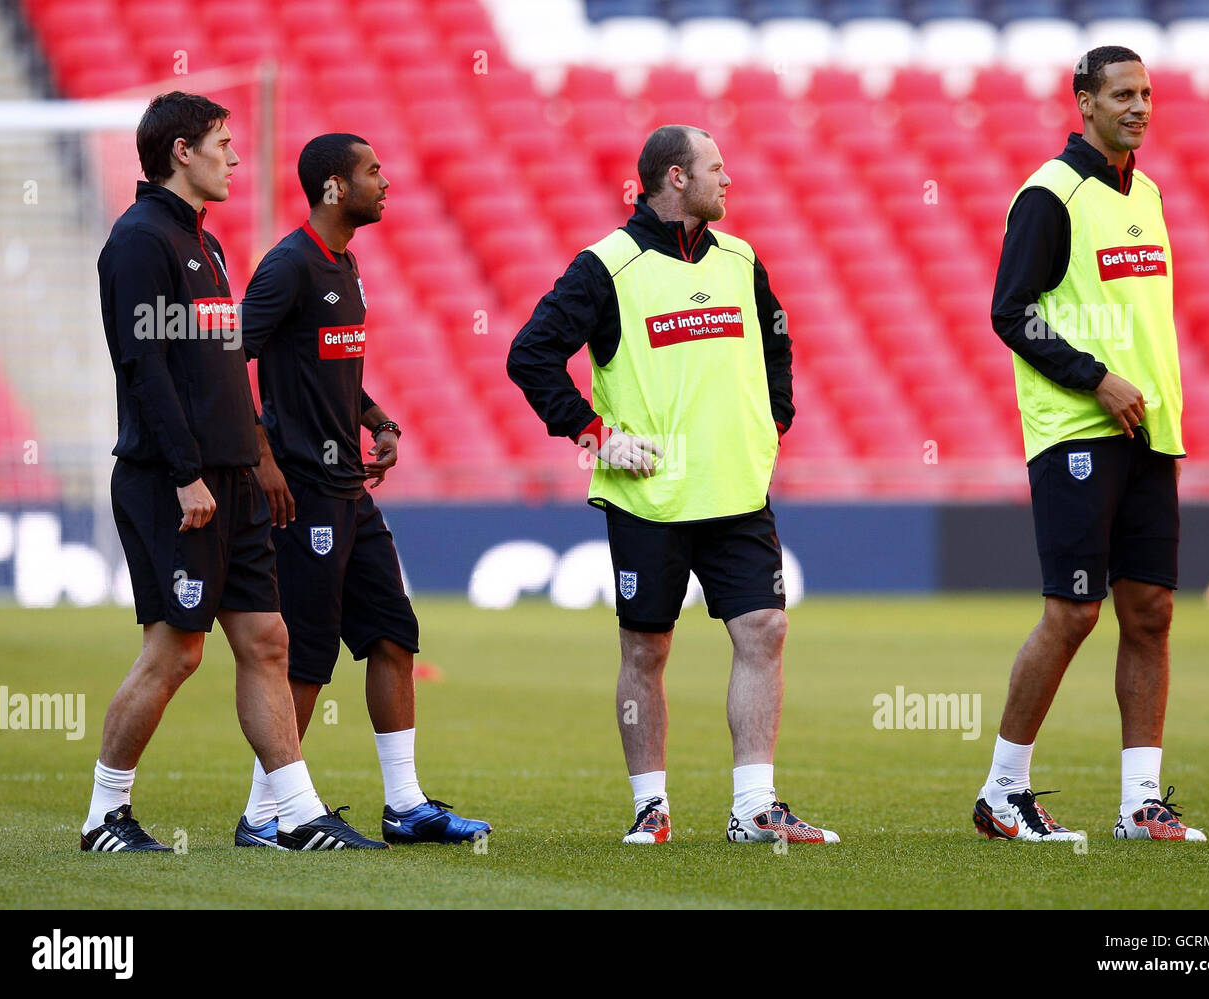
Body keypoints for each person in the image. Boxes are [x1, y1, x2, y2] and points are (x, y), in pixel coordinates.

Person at [508, 124, 836, 845]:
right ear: (676, 178)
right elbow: (529, 355)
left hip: (736, 490)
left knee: (765, 628)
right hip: (650, 497)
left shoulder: (743, 259)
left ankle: (754, 806)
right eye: (717, 168)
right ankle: (650, 805)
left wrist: (771, 421)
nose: (730, 180)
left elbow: (778, 340)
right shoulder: (607, 266)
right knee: (646, 651)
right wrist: (595, 436)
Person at [91, 93, 384, 852]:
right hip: (173, 481)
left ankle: (292, 814)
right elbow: (142, 364)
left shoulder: (207, 244)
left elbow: (218, 365)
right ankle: (104, 814)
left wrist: (248, 457)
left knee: (267, 639)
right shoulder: (139, 241)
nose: (234, 155)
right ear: (181, 151)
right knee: (176, 650)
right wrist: (188, 472)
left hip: (233, 479)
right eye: (222, 143)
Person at [236, 133, 491, 847]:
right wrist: (261, 454)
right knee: (308, 655)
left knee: (393, 634)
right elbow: (231, 360)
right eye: (372, 171)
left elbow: (331, 369)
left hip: (349, 486)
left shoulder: (345, 264)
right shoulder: (287, 266)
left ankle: (405, 805)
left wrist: (375, 417)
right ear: (332, 189)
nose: (386, 181)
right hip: (303, 492)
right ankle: (266, 814)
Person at [976, 48, 1204, 842]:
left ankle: (1140, 801)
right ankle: (1004, 789)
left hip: (1152, 433)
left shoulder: (1147, 194)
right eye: (1121, 94)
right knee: (1073, 611)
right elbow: (1011, 310)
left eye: (1146, 93)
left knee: (1150, 611)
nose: (1139, 106)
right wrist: (1096, 378)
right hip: (1078, 427)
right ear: (1084, 101)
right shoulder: (1050, 193)